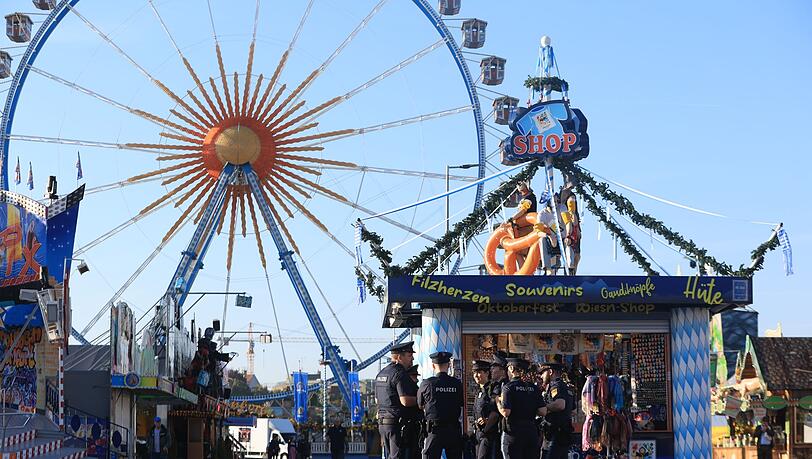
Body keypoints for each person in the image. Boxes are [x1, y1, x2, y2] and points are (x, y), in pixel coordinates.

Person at [375, 341, 419, 459]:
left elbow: (376, 400)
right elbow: (405, 400)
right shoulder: (400, 373)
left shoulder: (381, 374)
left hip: (383, 424)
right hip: (397, 424)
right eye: (409, 355)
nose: (412, 358)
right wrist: (422, 400)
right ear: (399, 357)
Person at [418, 351, 464, 459]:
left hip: (434, 431)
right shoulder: (457, 384)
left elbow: (420, 405)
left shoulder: (427, 384)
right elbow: (461, 403)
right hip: (453, 430)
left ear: (433, 366)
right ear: (448, 365)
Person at [497, 358, 546, 459]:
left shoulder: (509, 387)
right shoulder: (533, 388)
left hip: (514, 433)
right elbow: (543, 411)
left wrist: (498, 402)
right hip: (531, 432)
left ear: (511, 369)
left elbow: (506, 412)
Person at [541, 363, 574, 459]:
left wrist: (544, 408)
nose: (541, 376)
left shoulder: (556, 386)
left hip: (556, 432)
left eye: (543, 373)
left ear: (550, 372)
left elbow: (560, 405)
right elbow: (573, 410)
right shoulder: (566, 387)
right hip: (562, 432)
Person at [471, 360, 500, 459]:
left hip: (489, 433)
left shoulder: (493, 389)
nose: (476, 375)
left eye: (479, 372)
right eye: (474, 372)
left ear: (487, 373)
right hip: (478, 433)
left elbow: (495, 413)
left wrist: (486, 426)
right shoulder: (478, 390)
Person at [402, 364, 424, 459]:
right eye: (414, 377)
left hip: (414, 429)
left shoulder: (414, 390)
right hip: (409, 429)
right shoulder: (407, 391)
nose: (417, 380)